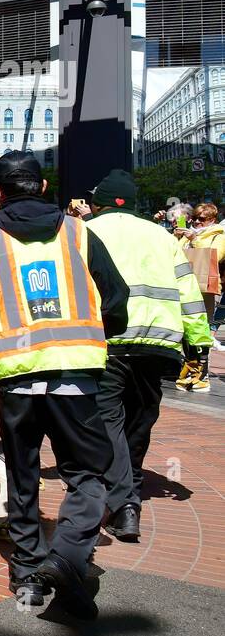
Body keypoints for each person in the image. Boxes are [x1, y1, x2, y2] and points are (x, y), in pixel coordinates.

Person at [0, 151, 128, 618]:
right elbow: (117, 297)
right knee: (89, 476)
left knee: (24, 478)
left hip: (17, 382)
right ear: (44, 188)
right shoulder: (78, 232)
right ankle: (67, 558)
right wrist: (101, 329)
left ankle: (27, 574)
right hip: (76, 376)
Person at [85, 170, 211, 541]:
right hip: (159, 344)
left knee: (108, 420)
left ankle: (124, 504)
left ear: (99, 202)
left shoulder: (85, 232)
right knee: (139, 420)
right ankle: (128, 487)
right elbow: (189, 292)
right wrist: (198, 344)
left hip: (108, 340)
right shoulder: (163, 236)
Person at [184, 203, 224, 355]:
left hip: (205, 288)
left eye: (201, 219)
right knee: (185, 328)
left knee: (201, 328)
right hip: (185, 285)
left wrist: (195, 240)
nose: (196, 222)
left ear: (212, 219)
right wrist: (177, 237)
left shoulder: (219, 235)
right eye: (194, 218)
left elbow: (216, 256)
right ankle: (187, 367)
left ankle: (201, 371)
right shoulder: (187, 235)